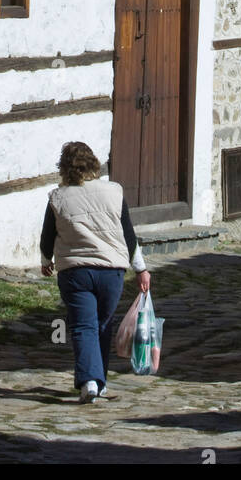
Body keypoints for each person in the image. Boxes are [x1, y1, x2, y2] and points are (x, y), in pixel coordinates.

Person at [40, 141, 150, 403]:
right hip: (111, 271)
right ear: (94, 164)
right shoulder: (114, 192)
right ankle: (99, 383)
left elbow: (47, 236)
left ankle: (90, 380)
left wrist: (46, 260)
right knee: (102, 324)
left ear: (64, 168)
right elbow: (128, 235)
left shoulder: (58, 197)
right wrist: (141, 270)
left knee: (82, 326)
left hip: (75, 272)